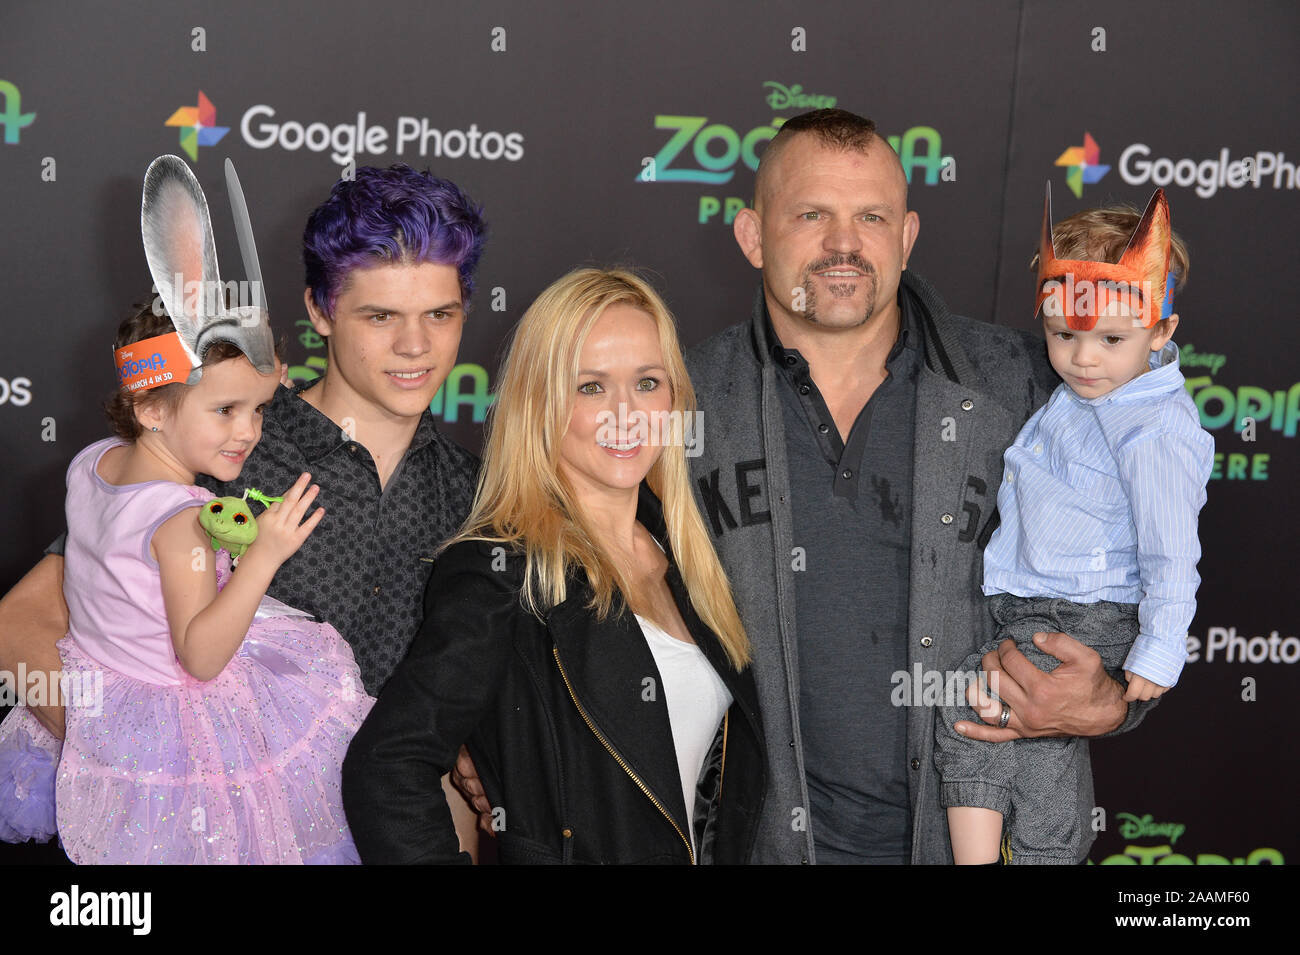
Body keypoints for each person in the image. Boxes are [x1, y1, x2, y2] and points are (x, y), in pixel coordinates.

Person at [680, 108, 1164, 864]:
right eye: (812, 214)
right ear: (751, 235)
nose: (844, 242)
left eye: (870, 216)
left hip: (983, 842)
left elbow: (1148, 564)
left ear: (905, 237)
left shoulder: (1030, 387)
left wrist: (1108, 700)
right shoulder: (684, 399)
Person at [0, 161, 486, 858]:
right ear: (319, 310)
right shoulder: (223, 448)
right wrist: (160, 779)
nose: (416, 346)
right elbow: (22, 622)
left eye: (440, 314)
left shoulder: (478, 494)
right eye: (381, 315)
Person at [343, 268, 767, 864]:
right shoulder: (500, 570)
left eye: (648, 382)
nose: (627, 412)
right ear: (538, 402)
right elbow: (386, 770)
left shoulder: (685, 554)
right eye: (590, 387)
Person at [936, 189, 1213, 864]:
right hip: (1037, 602)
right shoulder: (1082, 394)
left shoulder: (1151, 427)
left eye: (1112, 339)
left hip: (1084, 610)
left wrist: (1158, 649)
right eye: (1064, 334)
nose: (1084, 358)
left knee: (974, 706)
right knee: (1033, 739)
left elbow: (1171, 549)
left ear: (1162, 332)